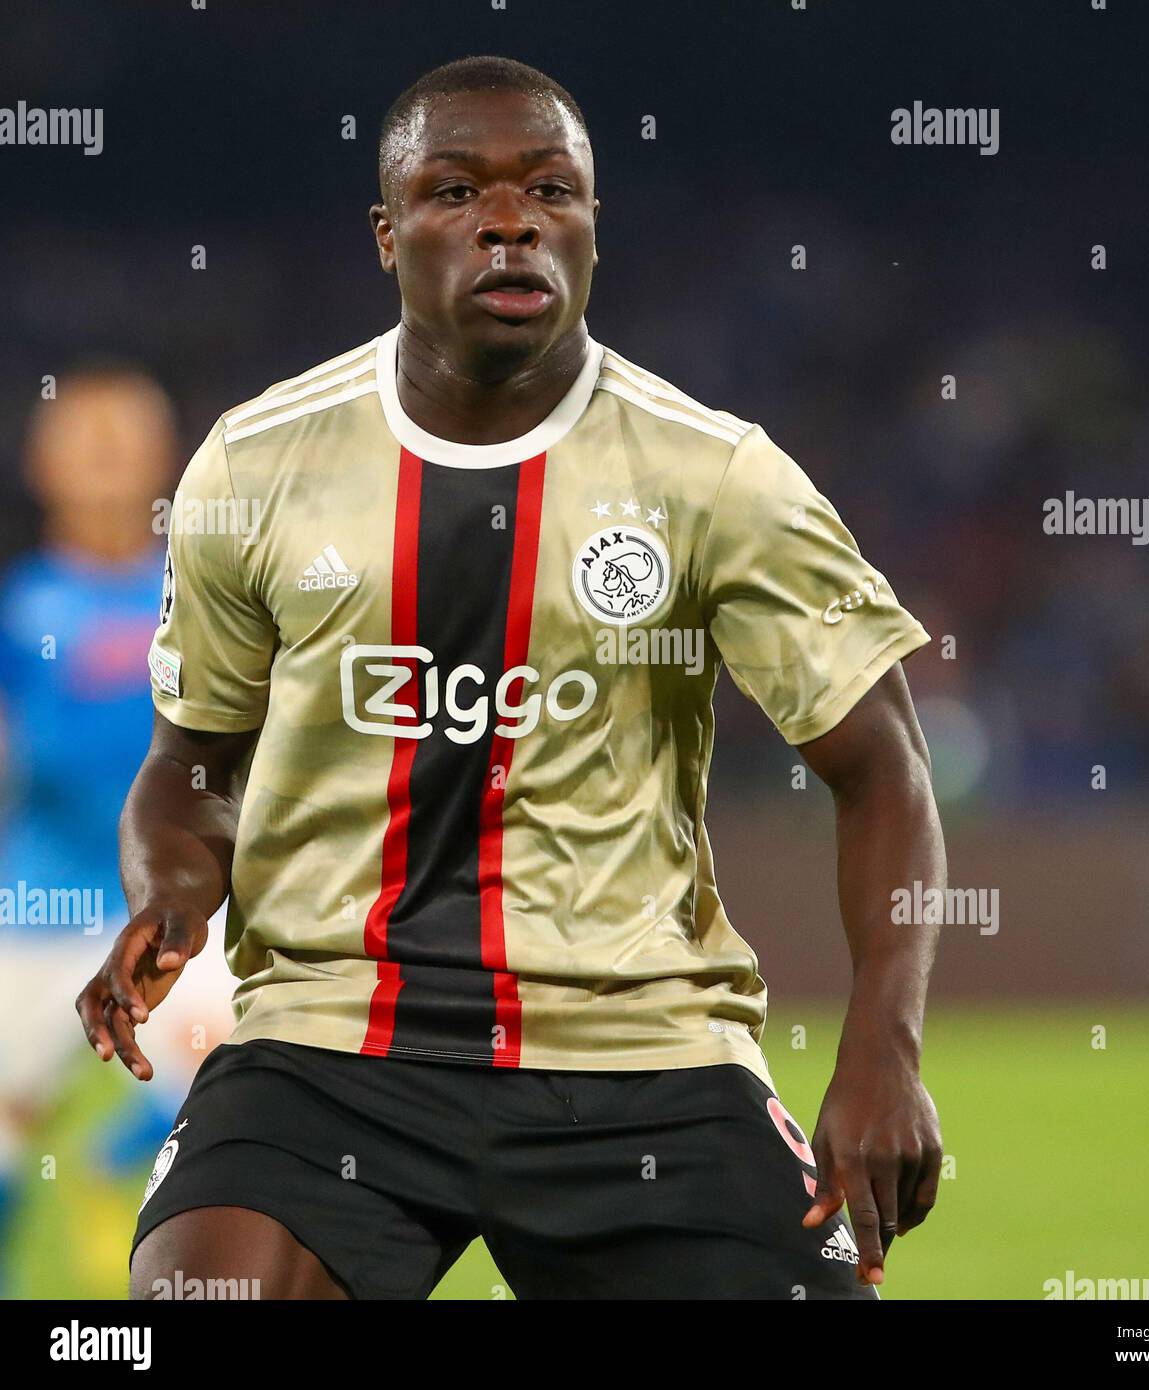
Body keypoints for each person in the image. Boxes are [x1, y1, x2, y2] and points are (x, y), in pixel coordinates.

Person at [77, 55, 947, 1301]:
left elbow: (885, 771)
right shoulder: (254, 463)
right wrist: (173, 889)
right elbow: (192, 759)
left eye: (552, 189)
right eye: (455, 193)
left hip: (639, 1049)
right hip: (331, 1041)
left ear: (591, 226)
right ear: (387, 236)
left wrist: (885, 1049)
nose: (509, 219)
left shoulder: (715, 477)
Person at [0, 367, 234, 1291]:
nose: (101, 452)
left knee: (241, 1080)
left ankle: (147, 1170)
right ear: (36, 461)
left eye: (122, 433)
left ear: (165, 457)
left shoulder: (199, 601)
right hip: (36, 904)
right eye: (81, 432)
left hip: (175, 910)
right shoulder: (22, 613)